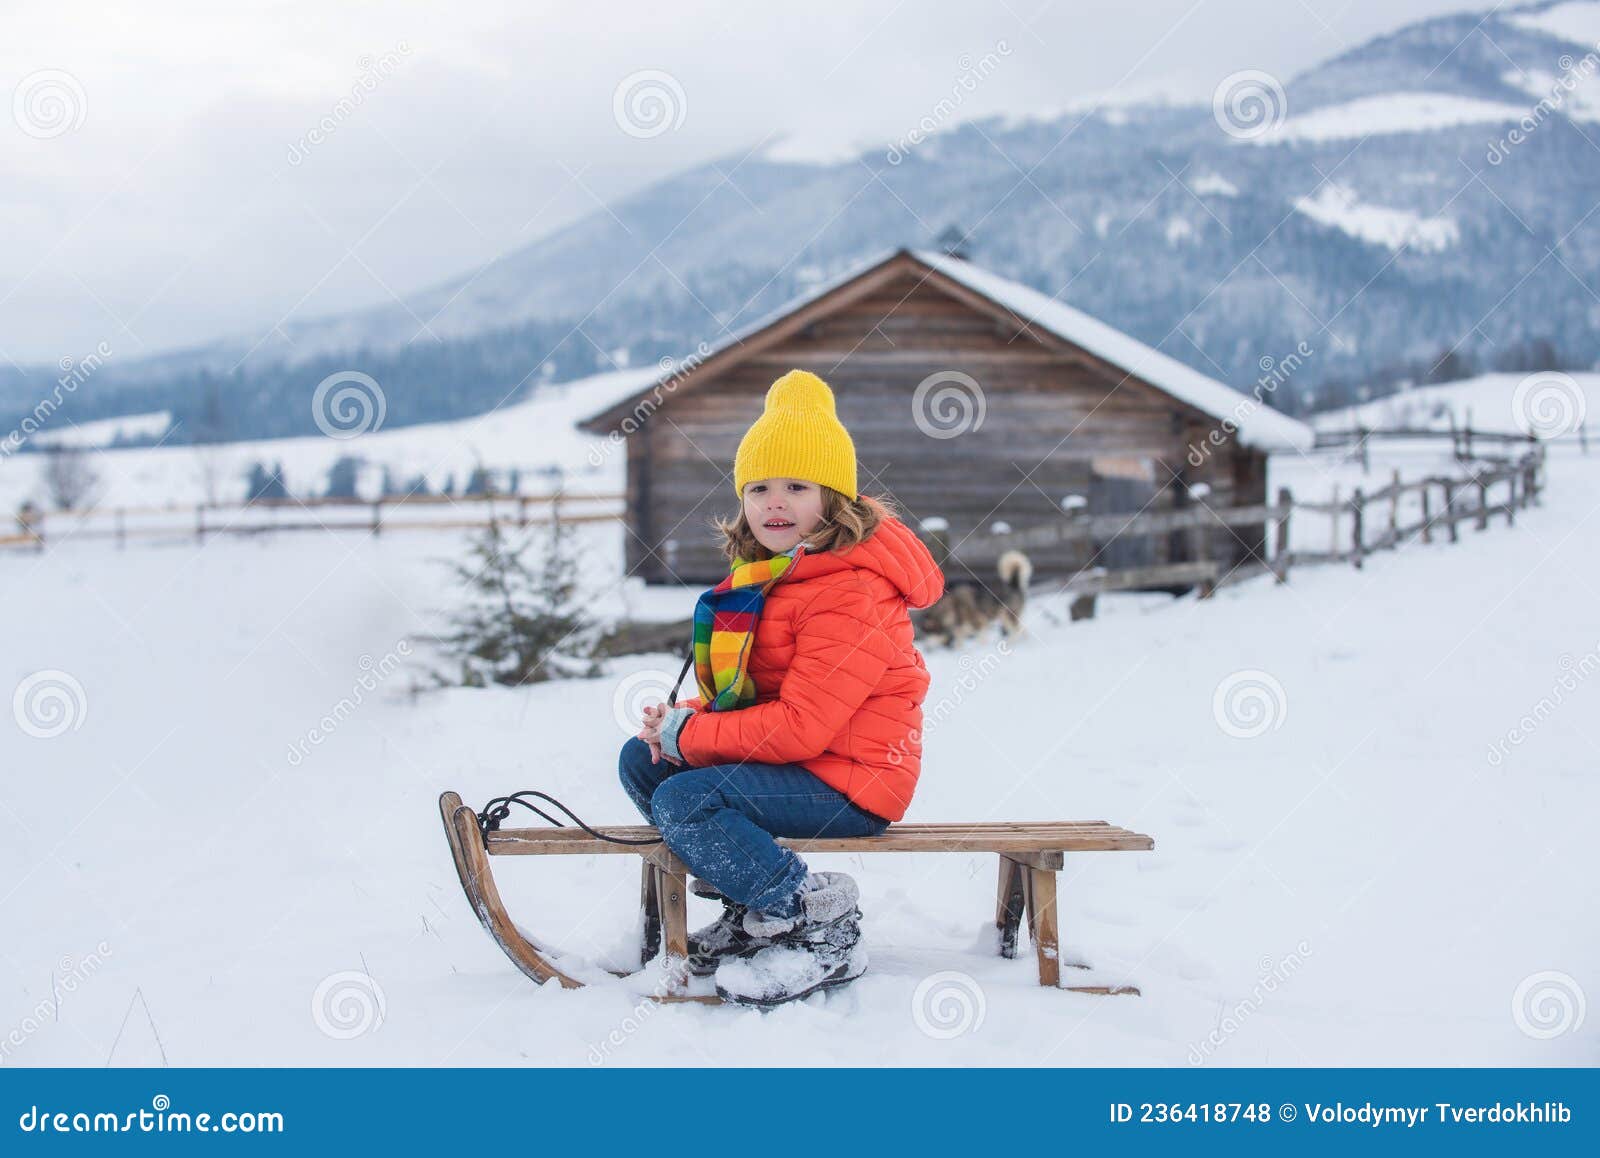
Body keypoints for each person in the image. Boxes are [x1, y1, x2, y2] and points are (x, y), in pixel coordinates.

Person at [618, 368, 945, 1006]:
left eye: (797, 487)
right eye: (759, 487)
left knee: (686, 800)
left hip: (853, 780)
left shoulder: (849, 589)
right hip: (805, 762)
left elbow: (800, 725)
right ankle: (753, 910)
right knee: (644, 761)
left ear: (834, 499)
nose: (775, 502)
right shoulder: (775, 574)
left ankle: (815, 922)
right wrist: (679, 722)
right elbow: (764, 693)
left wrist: (694, 735)